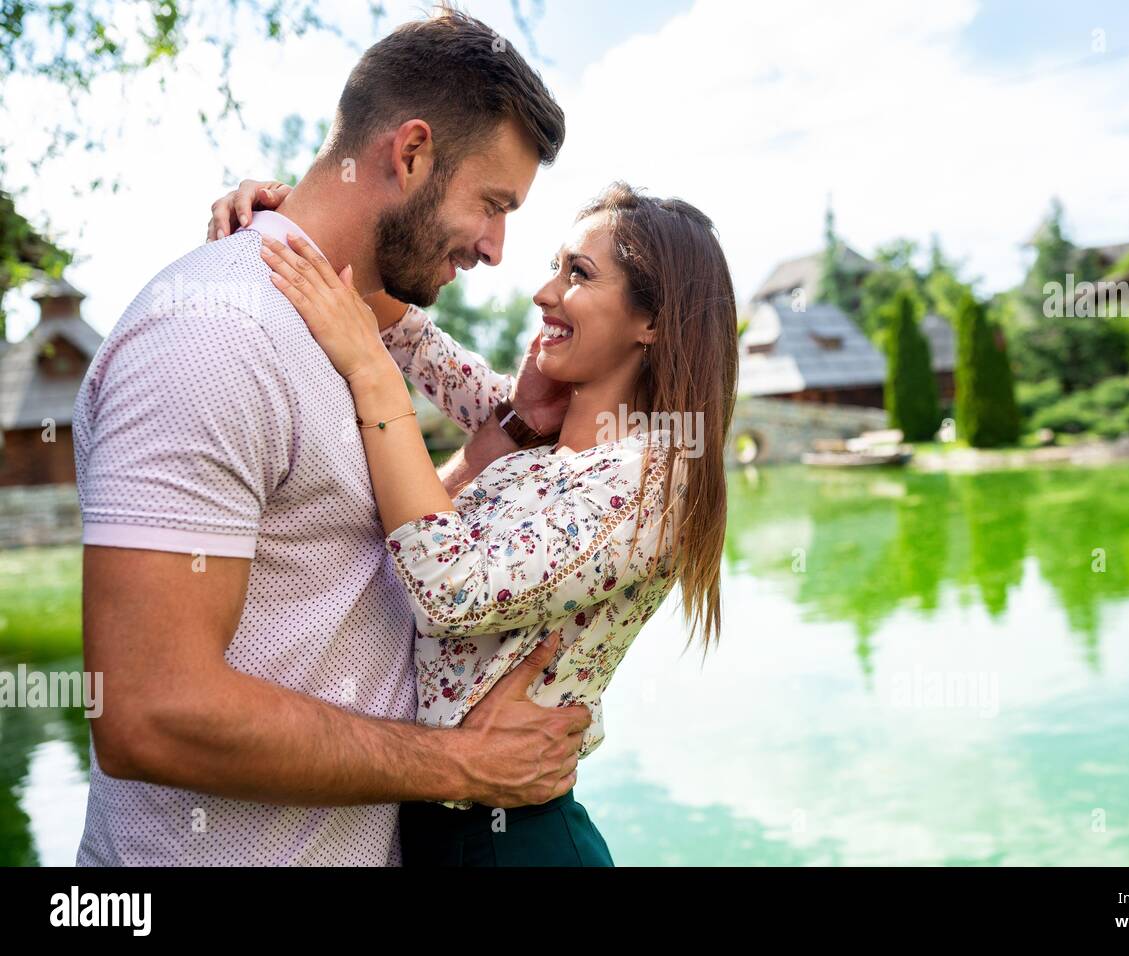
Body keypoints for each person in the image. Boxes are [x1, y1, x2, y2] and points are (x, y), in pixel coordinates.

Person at [72, 9, 585, 866]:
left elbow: (345, 558)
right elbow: (148, 710)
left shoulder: (347, 329)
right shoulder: (214, 338)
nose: (498, 249)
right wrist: (466, 765)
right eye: (492, 204)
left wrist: (497, 445)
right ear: (411, 152)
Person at [207, 175, 739, 865]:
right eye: (554, 267)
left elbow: (454, 589)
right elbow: (414, 338)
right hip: (424, 827)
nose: (545, 293)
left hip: (518, 844)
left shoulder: (651, 482)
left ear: (654, 320)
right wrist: (292, 224)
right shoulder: (537, 425)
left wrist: (370, 374)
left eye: (578, 274)